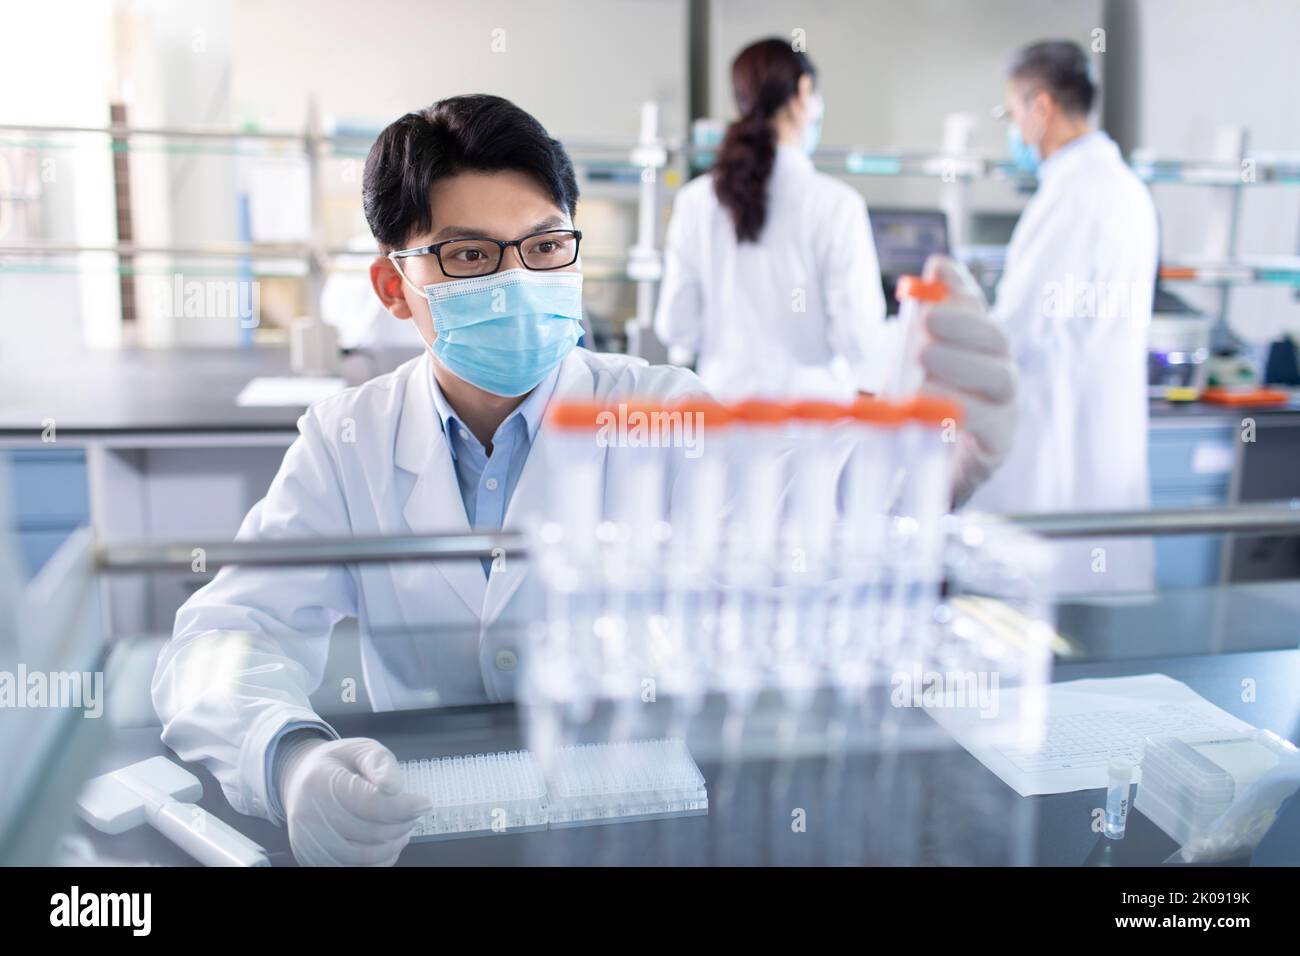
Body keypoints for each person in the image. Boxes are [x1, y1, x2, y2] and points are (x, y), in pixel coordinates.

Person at [152, 94, 1017, 867]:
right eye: (467, 256)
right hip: (427, 830)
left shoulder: (659, 410)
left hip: (639, 830)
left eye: (543, 246)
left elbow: (806, 506)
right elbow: (222, 639)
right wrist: (289, 756)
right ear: (392, 284)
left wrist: (923, 468)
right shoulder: (350, 440)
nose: (518, 281)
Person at [966, 40, 1159, 595]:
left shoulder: (1070, 197)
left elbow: (1017, 335)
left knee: (1042, 625)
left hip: (1054, 442)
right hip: (1103, 436)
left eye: (1012, 113)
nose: (1015, 130)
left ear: (1041, 107)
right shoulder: (1127, 191)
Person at [654, 38, 889, 401]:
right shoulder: (837, 204)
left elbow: (676, 325)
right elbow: (858, 337)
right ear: (803, 91)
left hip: (722, 413)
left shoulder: (695, 200)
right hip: (814, 423)